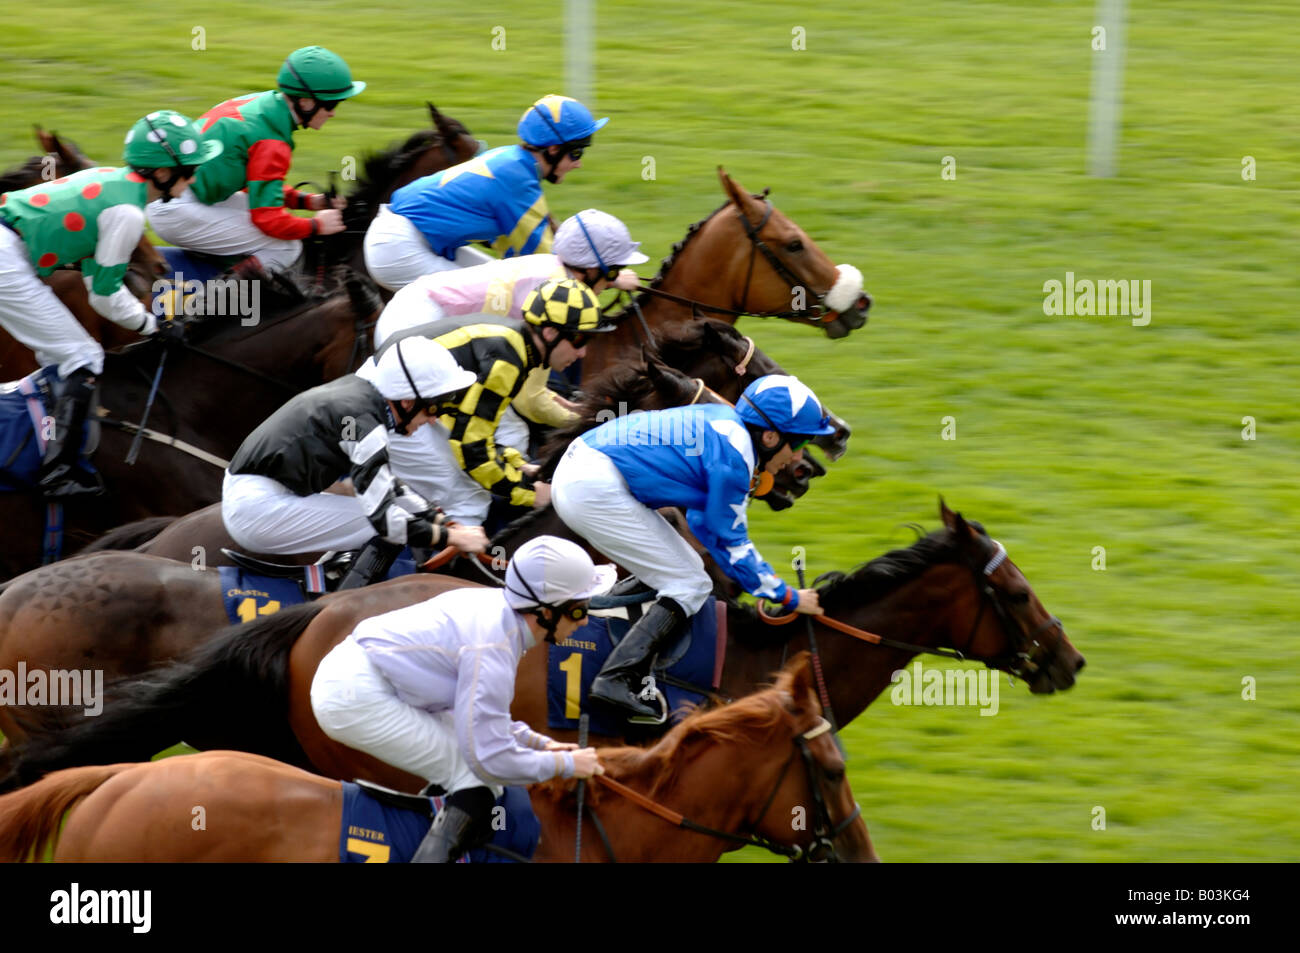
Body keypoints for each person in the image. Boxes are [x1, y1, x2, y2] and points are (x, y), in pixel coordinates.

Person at [310, 534, 612, 862]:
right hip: (357, 694)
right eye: (578, 609)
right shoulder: (495, 644)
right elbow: (491, 760)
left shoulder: (501, 614)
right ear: (543, 611)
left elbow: (479, 716)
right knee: (476, 779)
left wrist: (539, 743)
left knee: (471, 779)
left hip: (369, 679)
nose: (584, 620)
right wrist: (566, 765)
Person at [550, 374, 833, 720]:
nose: (799, 456)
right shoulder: (736, 458)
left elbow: (705, 522)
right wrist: (787, 596)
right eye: (800, 441)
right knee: (690, 583)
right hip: (594, 487)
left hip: (587, 473)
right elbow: (733, 542)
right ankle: (615, 679)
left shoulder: (726, 426)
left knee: (686, 570)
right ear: (771, 436)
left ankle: (614, 619)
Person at [0, 110, 222, 497]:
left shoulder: (109, 180)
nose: (194, 178)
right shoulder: (127, 212)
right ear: (163, 173)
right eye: (189, 170)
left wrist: (148, 322)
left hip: (9, 250)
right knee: (82, 356)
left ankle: (40, 438)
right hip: (7, 258)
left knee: (64, 355)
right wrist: (152, 326)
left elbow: (94, 278)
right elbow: (103, 295)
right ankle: (59, 471)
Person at [221, 336, 487, 588]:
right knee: (385, 525)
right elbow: (387, 521)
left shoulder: (362, 397)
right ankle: (337, 607)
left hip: (258, 496)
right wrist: (454, 537)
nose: (433, 420)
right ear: (407, 402)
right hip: (257, 508)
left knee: (384, 517)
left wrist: (437, 519)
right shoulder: (365, 424)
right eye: (433, 407)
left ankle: (335, 578)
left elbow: (387, 486)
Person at [381, 277, 616, 527]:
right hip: (391, 410)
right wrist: (532, 494)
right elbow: (472, 451)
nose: (583, 353)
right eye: (580, 340)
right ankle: (412, 563)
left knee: (471, 482)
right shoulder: (507, 360)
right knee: (470, 500)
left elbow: (470, 430)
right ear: (550, 332)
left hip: (400, 402)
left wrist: (516, 463)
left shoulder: (514, 345)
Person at [147, 46, 363, 278]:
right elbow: (268, 219)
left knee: (264, 221)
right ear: (306, 102)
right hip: (178, 208)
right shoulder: (272, 141)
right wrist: (316, 226)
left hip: (177, 195)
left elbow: (256, 184)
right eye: (331, 104)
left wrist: (308, 201)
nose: (333, 113)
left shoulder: (260, 104)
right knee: (286, 247)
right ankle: (212, 303)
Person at [364, 94, 607, 291]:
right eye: (577, 153)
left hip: (403, 237)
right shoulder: (518, 180)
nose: (579, 163)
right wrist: (609, 276)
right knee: (495, 303)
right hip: (399, 248)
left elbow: (514, 256)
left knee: (504, 290)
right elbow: (548, 263)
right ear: (553, 149)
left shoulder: (512, 159)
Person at [372, 208, 647, 351]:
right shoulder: (556, 289)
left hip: (417, 309)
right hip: (416, 325)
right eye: (610, 271)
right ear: (587, 270)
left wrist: (610, 278)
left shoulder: (555, 269)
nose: (609, 281)